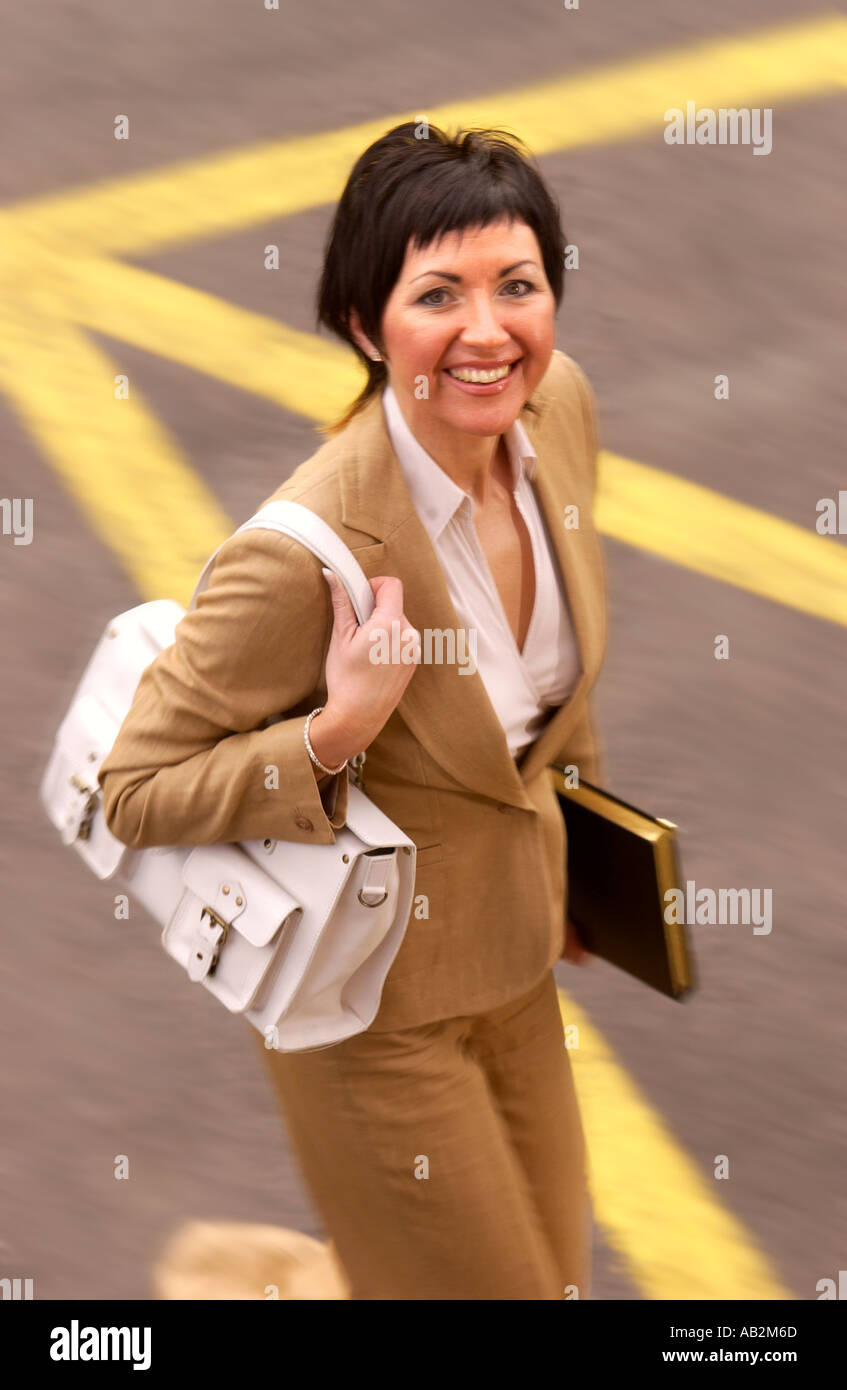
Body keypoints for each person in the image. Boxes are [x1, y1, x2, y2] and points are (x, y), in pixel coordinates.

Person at [98, 121, 608, 1300]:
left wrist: (579, 843)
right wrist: (334, 731)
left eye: (517, 286)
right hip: (368, 1014)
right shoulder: (301, 555)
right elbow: (134, 792)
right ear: (365, 328)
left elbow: (554, 691)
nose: (488, 331)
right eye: (439, 294)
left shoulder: (557, 413)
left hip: (515, 964)